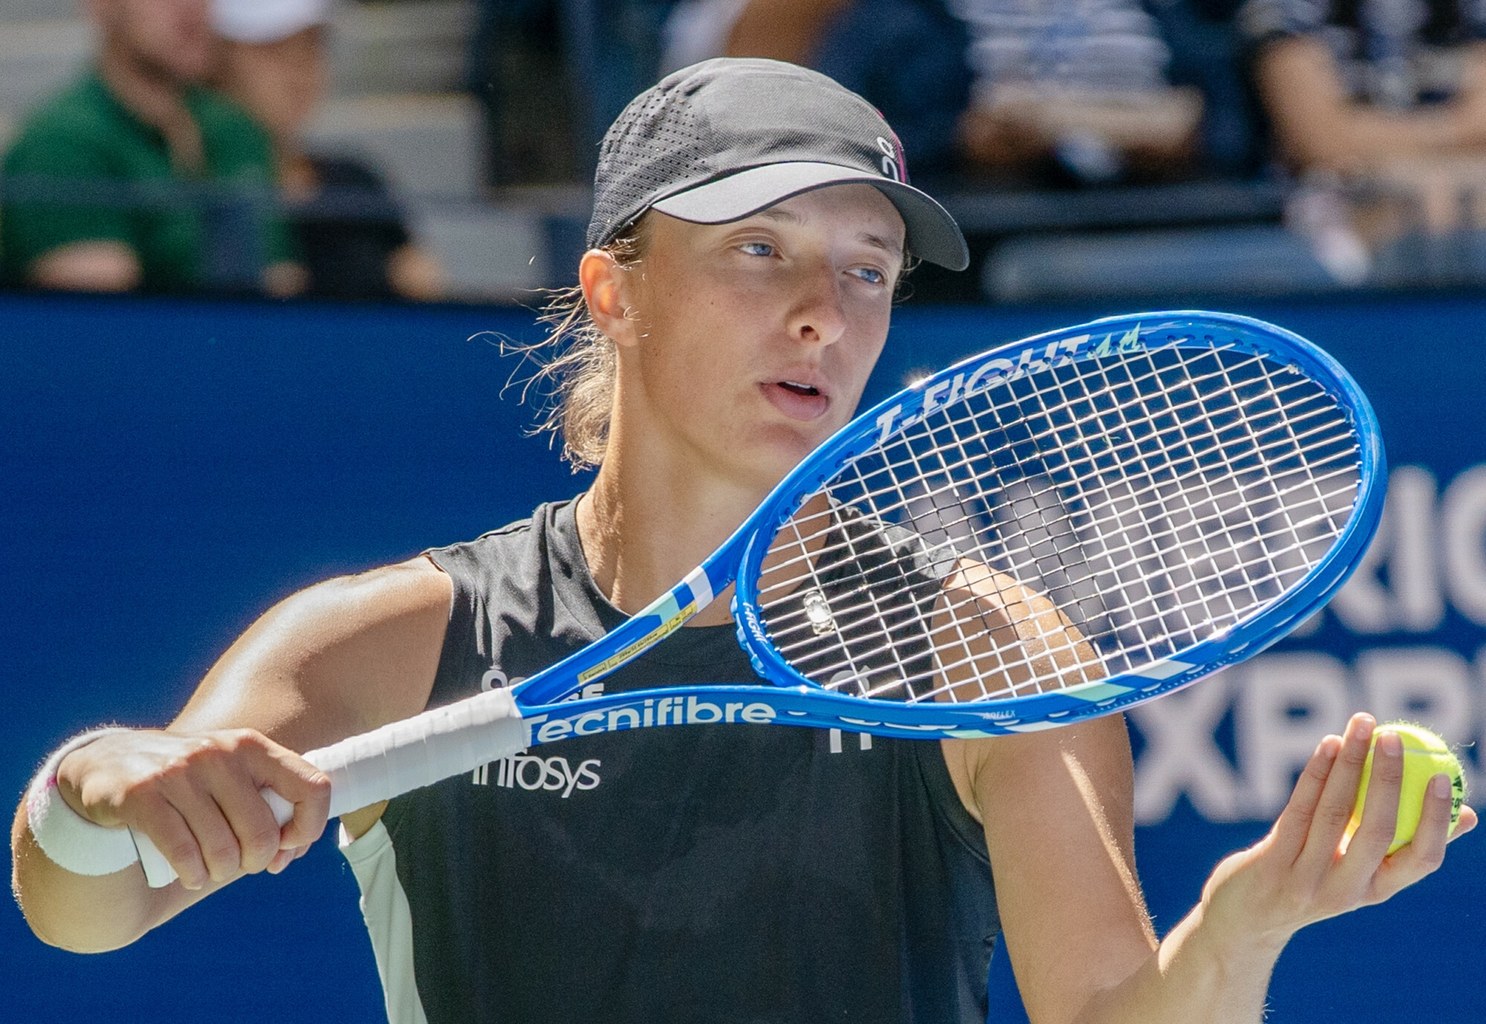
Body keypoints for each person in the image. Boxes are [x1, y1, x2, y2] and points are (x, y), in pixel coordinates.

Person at [11, 58, 1475, 1024]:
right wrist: (101, 782)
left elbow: (1105, 1012)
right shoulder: (386, 640)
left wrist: (1237, 935)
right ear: (613, 291)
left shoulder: (988, 650)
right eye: (759, 250)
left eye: (864, 269)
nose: (822, 316)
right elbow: (81, 907)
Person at [0, 0, 300, 296]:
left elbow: (281, 290)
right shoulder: (61, 142)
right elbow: (101, 327)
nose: (191, 7)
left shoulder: (237, 130)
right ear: (101, 5)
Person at [210, 0, 445, 302]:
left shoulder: (357, 179)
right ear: (219, 57)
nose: (299, 71)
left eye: (312, 46)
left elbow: (422, 286)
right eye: (274, 50)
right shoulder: (192, 185)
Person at [1240, 0, 1486, 246]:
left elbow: (1481, 123)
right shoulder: (1287, 7)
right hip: (1328, 210)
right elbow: (1323, 141)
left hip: (1457, 182)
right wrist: (1452, 131)